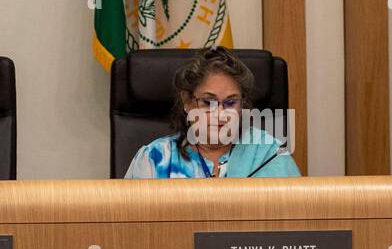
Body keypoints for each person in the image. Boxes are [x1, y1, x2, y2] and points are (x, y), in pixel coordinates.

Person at [123, 47, 300, 179]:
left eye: (231, 102)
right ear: (188, 102)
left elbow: (296, 222)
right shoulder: (154, 159)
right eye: (208, 102)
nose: (220, 113)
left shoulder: (269, 154)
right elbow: (129, 223)